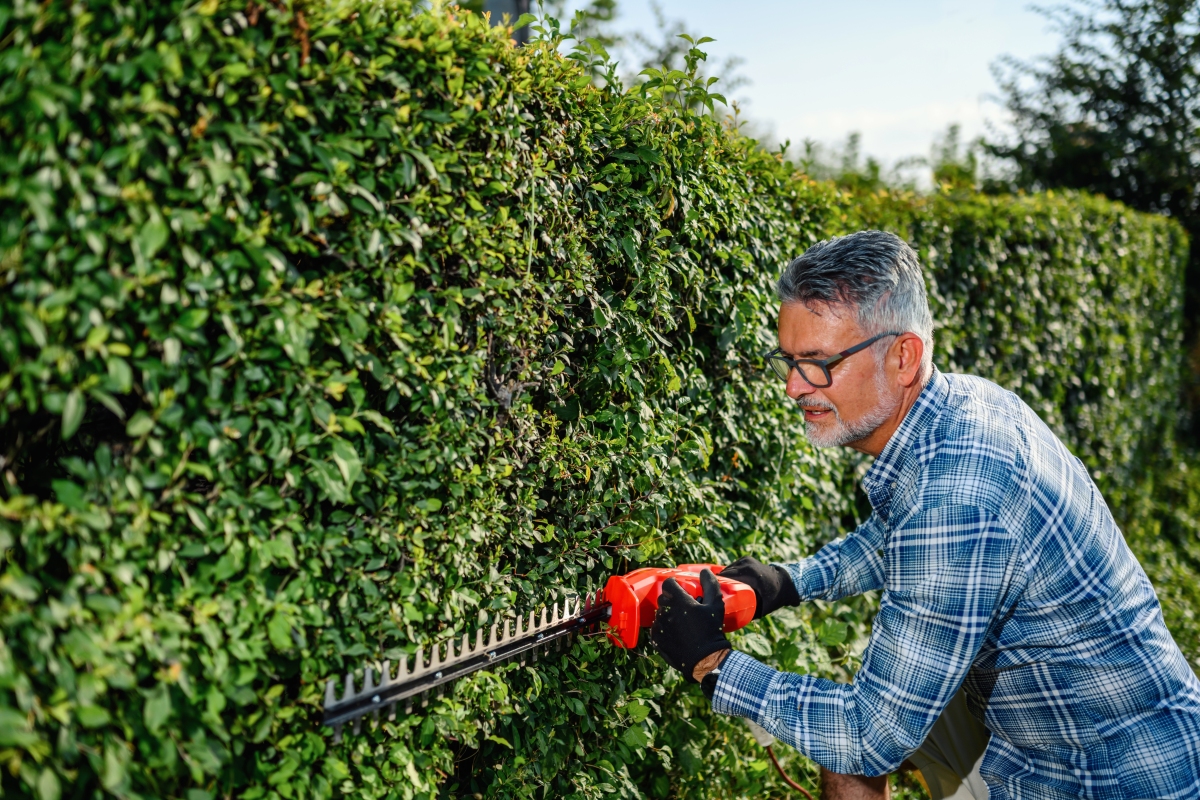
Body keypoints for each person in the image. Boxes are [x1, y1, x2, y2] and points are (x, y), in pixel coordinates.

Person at [647, 231, 1200, 799]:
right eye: (788, 361)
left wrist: (712, 664)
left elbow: (871, 734)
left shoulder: (957, 494)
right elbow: (899, 534)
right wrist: (786, 582)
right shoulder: (966, 405)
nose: (793, 387)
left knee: (849, 734)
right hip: (1070, 738)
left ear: (903, 356)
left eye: (818, 363)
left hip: (1106, 778)